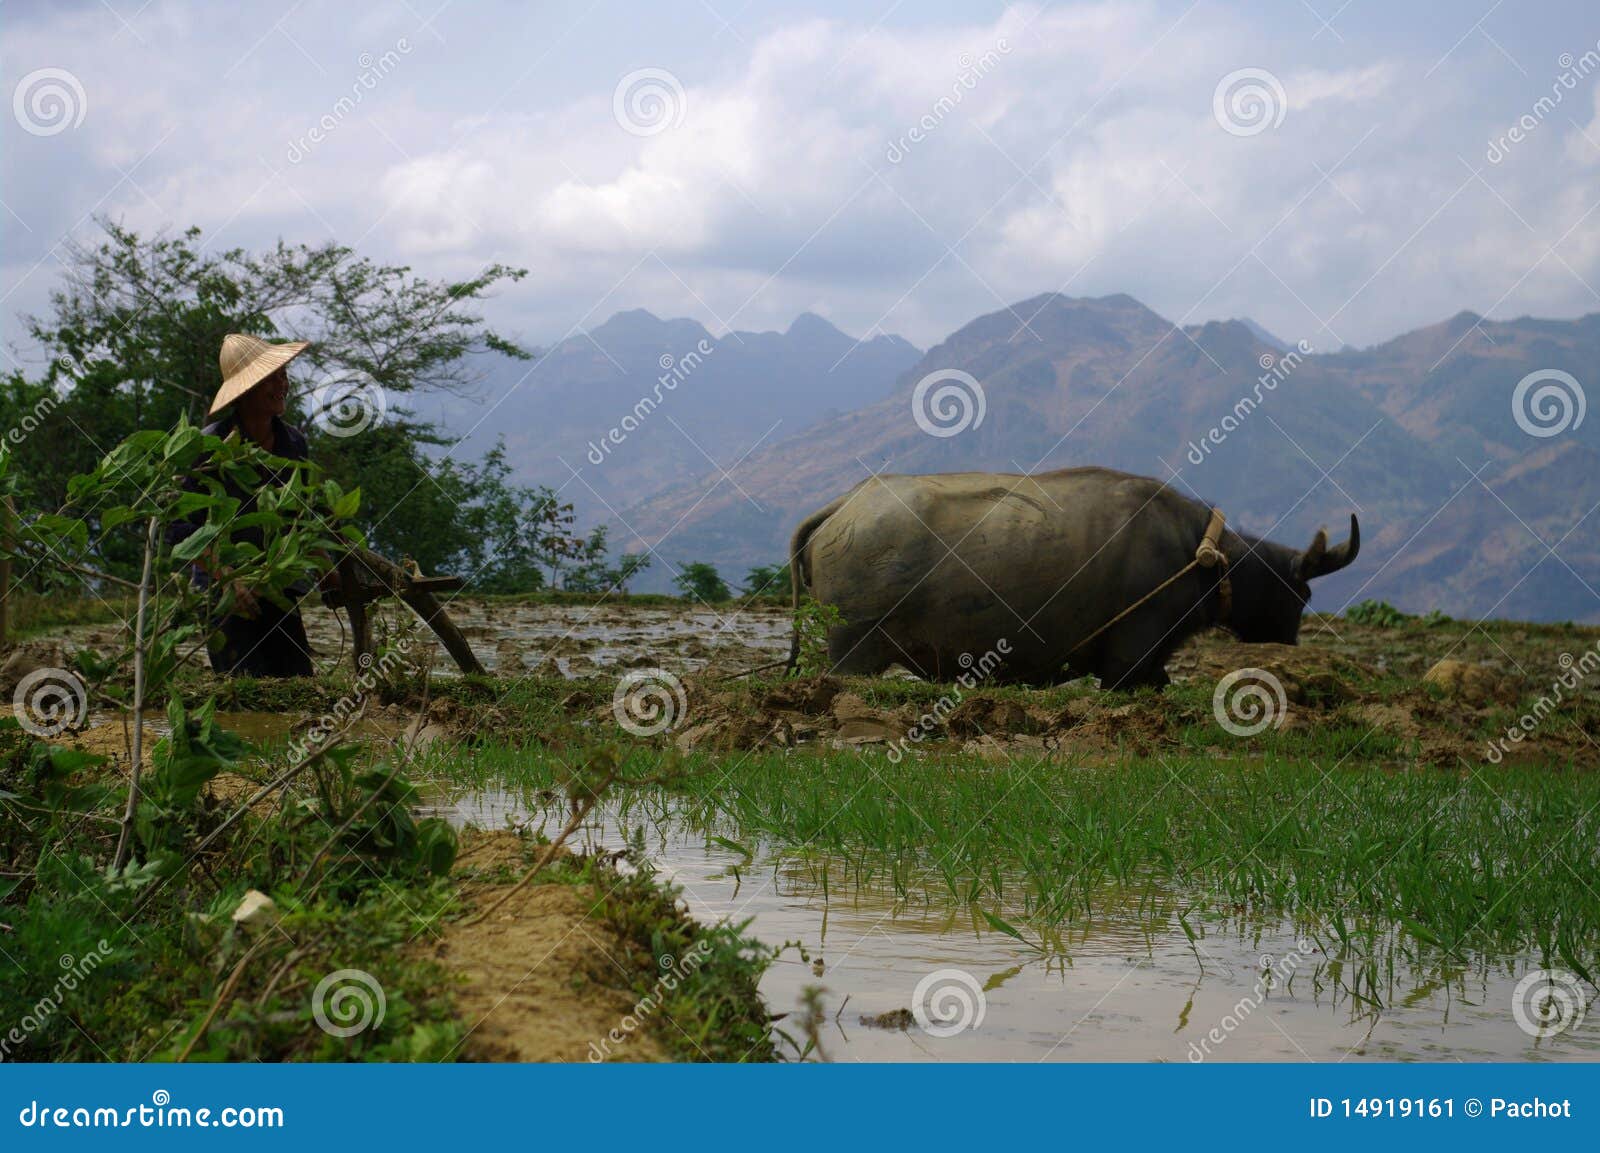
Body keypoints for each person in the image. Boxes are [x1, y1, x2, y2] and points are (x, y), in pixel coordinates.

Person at [170, 333, 326, 677]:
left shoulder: (294, 444)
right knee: (243, 686)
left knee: (296, 684)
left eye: (283, 376)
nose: (281, 386)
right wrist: (228, 579)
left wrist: (326, 567)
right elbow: (181, 529)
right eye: (271, 379)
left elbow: (301, 516)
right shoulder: (209, 448)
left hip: (277, 582)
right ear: (246, 391)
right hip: (223, 591)